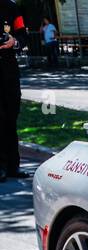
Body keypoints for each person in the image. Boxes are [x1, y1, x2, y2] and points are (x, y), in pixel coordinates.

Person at [0, 0, 26, 181]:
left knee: (11, 118)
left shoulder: (12, 7)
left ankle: (12, 166)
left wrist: (14, 42)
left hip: (9, 73)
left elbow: (23, 36)